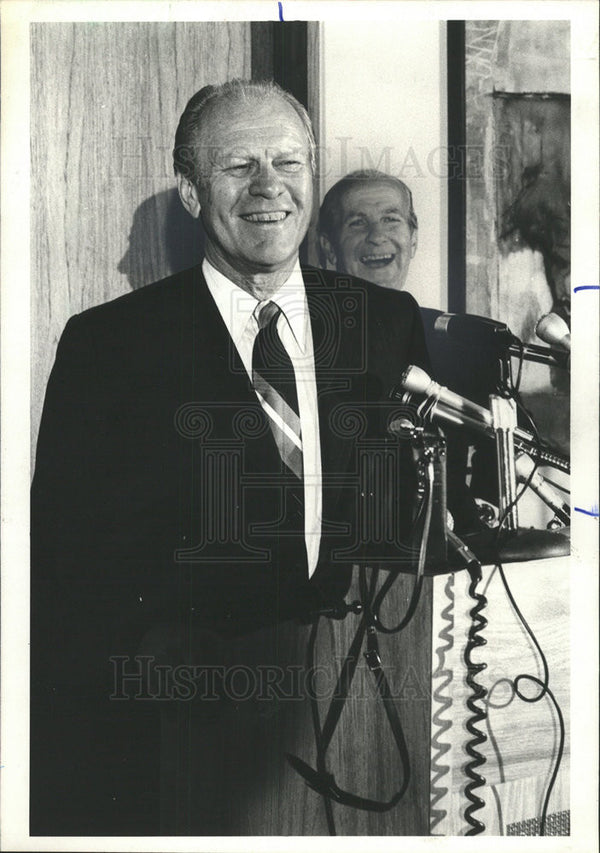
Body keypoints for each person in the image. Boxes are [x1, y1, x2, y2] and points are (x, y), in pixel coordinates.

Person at [30, 82, 431, 835]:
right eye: (238, 165)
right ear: (190, 191)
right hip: (186, 741)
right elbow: (63, 558)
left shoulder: (385, 322)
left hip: (365, 724)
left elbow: (404, 515)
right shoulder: (109, 344)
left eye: (287, 162)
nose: (268, 187)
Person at [317, 170, 493, 532]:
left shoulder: (460, 341)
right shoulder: (304, 340)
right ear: (328, 247)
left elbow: (493, 463)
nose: (377, 236)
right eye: (357, 223)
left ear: (413, 239)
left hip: (451, 558)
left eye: (390, 219)